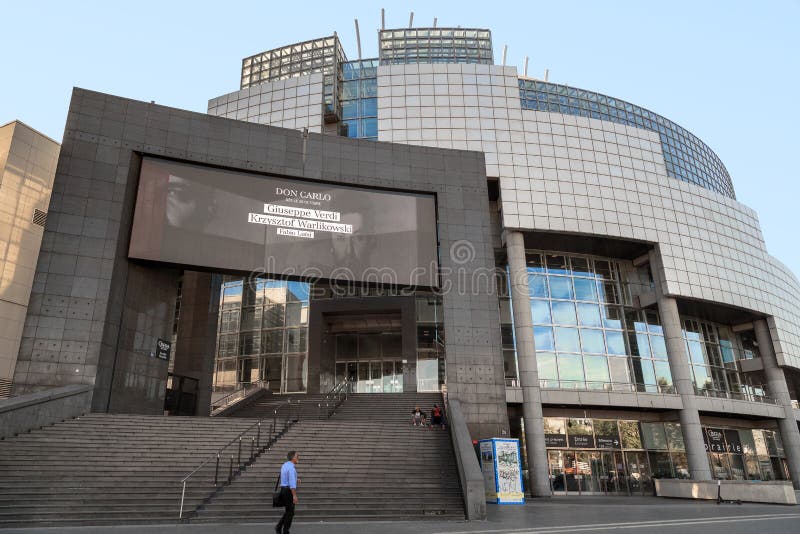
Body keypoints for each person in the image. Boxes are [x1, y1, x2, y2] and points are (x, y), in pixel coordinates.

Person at [276, 451, 299, 534]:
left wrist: (296, 479)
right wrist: (294, 495)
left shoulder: (285, 465)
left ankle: (279, 527)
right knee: (291, 512)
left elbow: (286, 477)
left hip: (283, 489)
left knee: (288, 511)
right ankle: (286, 531)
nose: (298, 458)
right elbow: (292, 484)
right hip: (288, 491)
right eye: (297, 456)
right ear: (293, 458)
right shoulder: (291, 468)